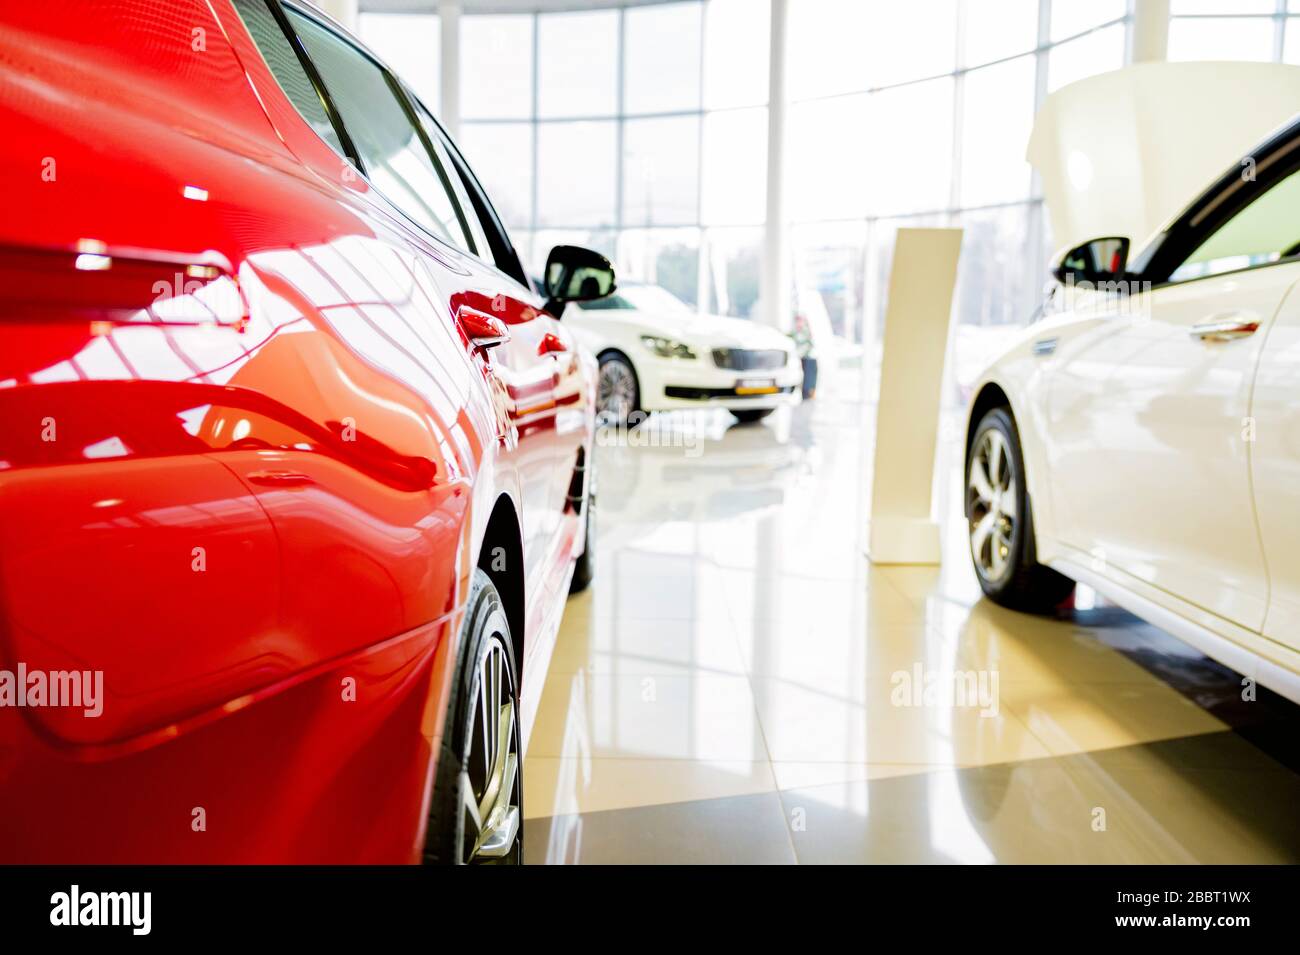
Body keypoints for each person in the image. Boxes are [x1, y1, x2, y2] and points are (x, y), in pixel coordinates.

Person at [791, 314, 817, 400]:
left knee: (809, 378)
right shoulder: (796, 332)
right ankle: (804, 394)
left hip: (809, 358)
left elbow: (807, 345)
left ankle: (809, 394)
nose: (798, 323)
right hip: (801, 358)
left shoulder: (806, 331)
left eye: (800, 321)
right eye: (797, 321)